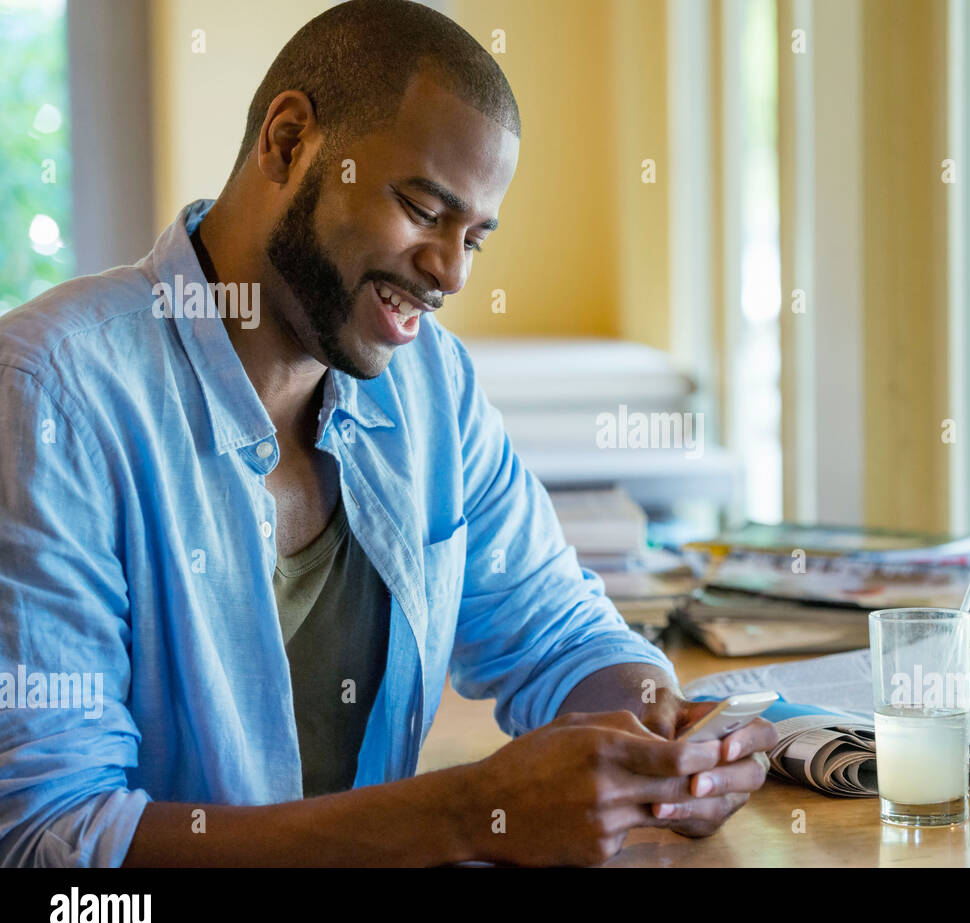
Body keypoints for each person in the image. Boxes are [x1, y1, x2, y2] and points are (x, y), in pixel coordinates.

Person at [0, 0, 775, 867]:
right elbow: (49, 843)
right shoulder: (47, 395)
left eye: (474, 236)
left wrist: (663, 740)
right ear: (289, 143)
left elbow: (559, 634)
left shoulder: (432, 385)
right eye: (421, 208)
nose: (449, 272)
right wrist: (467, 811)